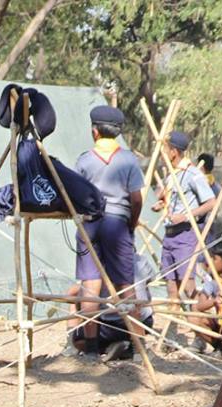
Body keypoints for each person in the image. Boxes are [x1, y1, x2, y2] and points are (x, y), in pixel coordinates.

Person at [72, 104, 146, 360]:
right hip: (118, 223)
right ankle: (139, 348)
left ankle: (91, 349)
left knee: (90, 285)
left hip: (90, 223)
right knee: (126, 285)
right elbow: (136, 199)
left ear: (95, 132)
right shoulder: (128, 160)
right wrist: (131, 223)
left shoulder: (84, 160)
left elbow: (76, 195)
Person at [154, 130, 218, 315]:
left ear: (174, 151)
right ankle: (174, 332)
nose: (163, 153)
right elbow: (171, 200)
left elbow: (210, 202)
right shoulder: (172, 174)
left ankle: (197, 326)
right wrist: (162, 204)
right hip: (169, 236)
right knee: (171, 285)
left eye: (165, 149)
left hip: (185, 235)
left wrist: (187, 215)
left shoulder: (192, 174)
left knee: (187, 284)